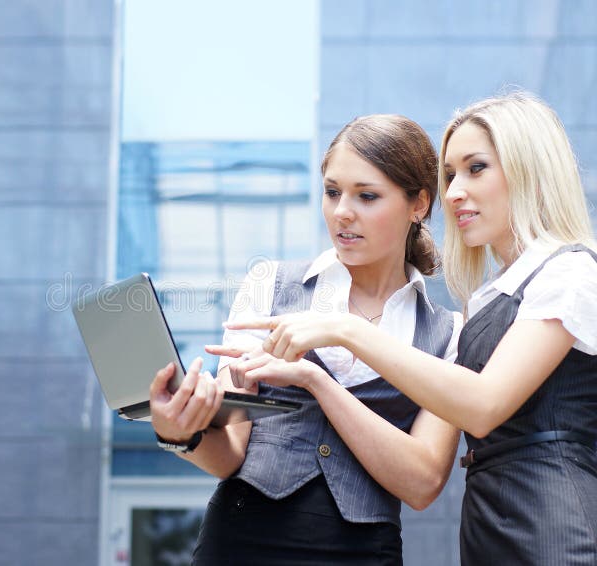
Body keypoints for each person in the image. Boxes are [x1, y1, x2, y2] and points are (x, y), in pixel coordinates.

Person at [229, 92, 597, 565]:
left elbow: (482, 405)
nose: (455, 190)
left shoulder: (568, 272)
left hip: (552, 528)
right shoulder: (489, 298)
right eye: (449, 175)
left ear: (530, 167)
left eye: (476, 168)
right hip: (493, 530)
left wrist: (346, 330)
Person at [149, 114, 463, 565]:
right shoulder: (268, 284)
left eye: (366, 196)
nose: (342, 213)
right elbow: (230, 453)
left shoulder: (447, 334)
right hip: (242, 541)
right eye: (332, 192)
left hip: (361, 553)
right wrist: (181, 434)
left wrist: (317, 382)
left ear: (419, 204)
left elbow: (422, 482)